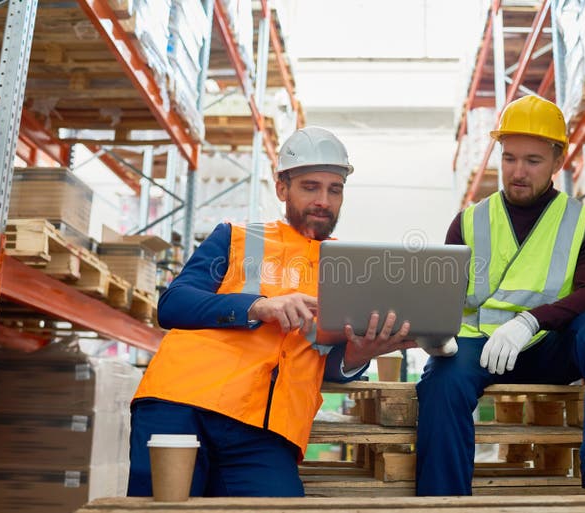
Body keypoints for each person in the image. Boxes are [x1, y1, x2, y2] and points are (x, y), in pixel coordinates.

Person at [415, 95, 585, 495]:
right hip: (482, 350)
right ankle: (443, 501)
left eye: (533, 160)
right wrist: (434, 333)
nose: (518, 171)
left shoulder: (584, 223)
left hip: (549, 348)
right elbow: (445, 298)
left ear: (557, 162)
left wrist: (531, 321)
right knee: (441, 381)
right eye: (509, 158)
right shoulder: (469, 222)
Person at [128, 126, 416, 497]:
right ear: (282, 188)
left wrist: (358, 356)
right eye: (310, 187)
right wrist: (259, 306)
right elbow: (173, 305)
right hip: (182, 403)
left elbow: (321, 357)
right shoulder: (235, 236)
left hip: (266, 428)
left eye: (335, 189)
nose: (323, 201)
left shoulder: (351, 266)